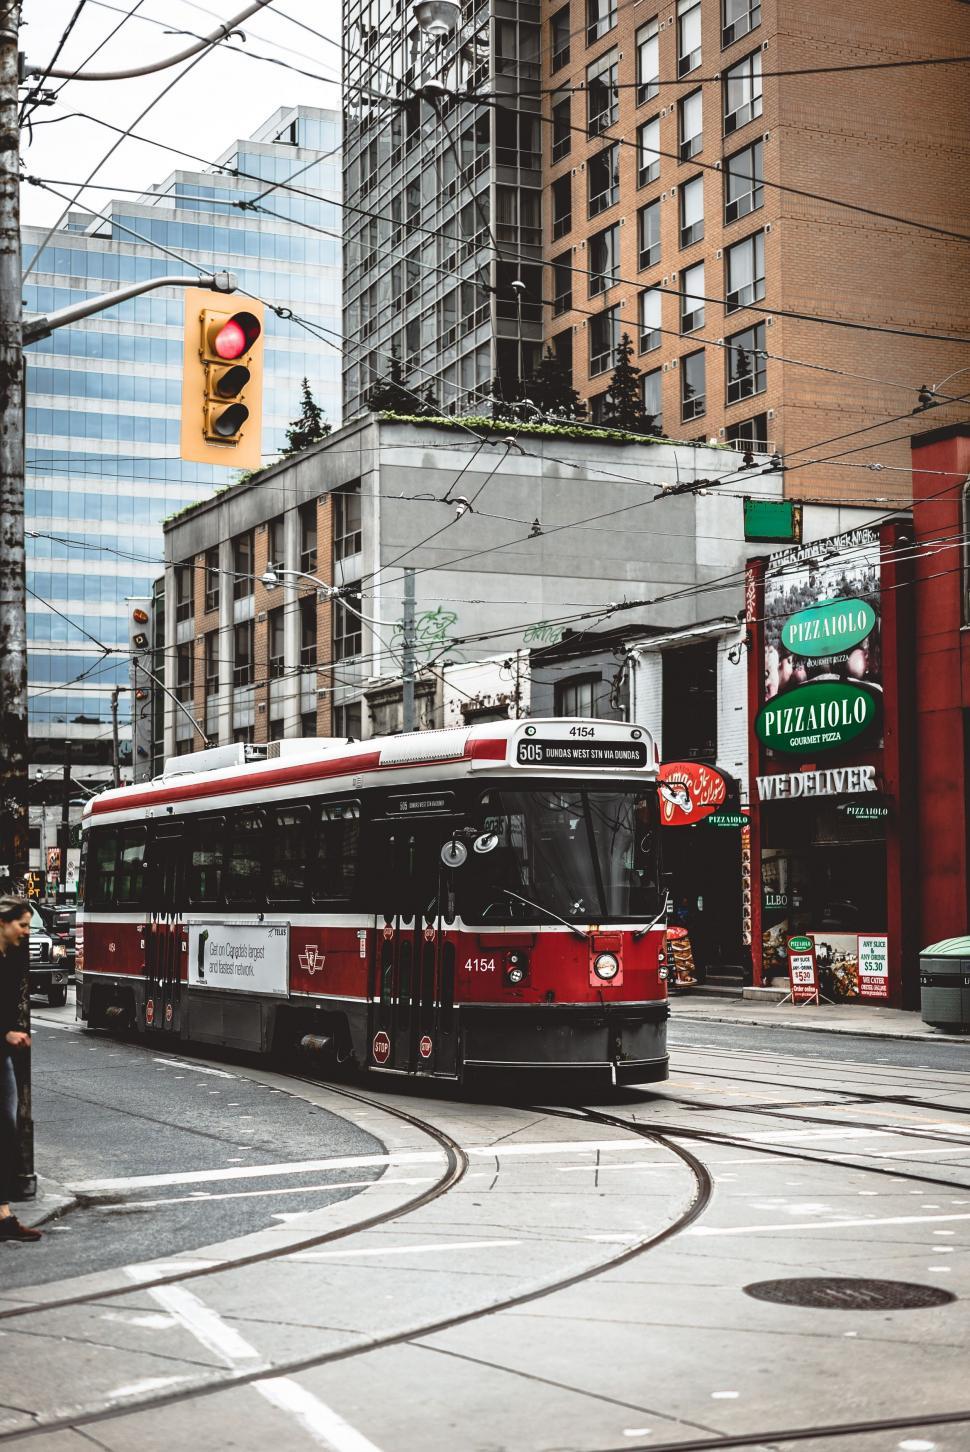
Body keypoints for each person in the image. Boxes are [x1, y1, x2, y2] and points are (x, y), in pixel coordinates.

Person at [0, 897, 42, 1242]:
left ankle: (3, 1214)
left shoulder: (10, 958)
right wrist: (6, 1032)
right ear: (3, 922)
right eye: (23, 925)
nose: (26, 932)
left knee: (6, 1127)